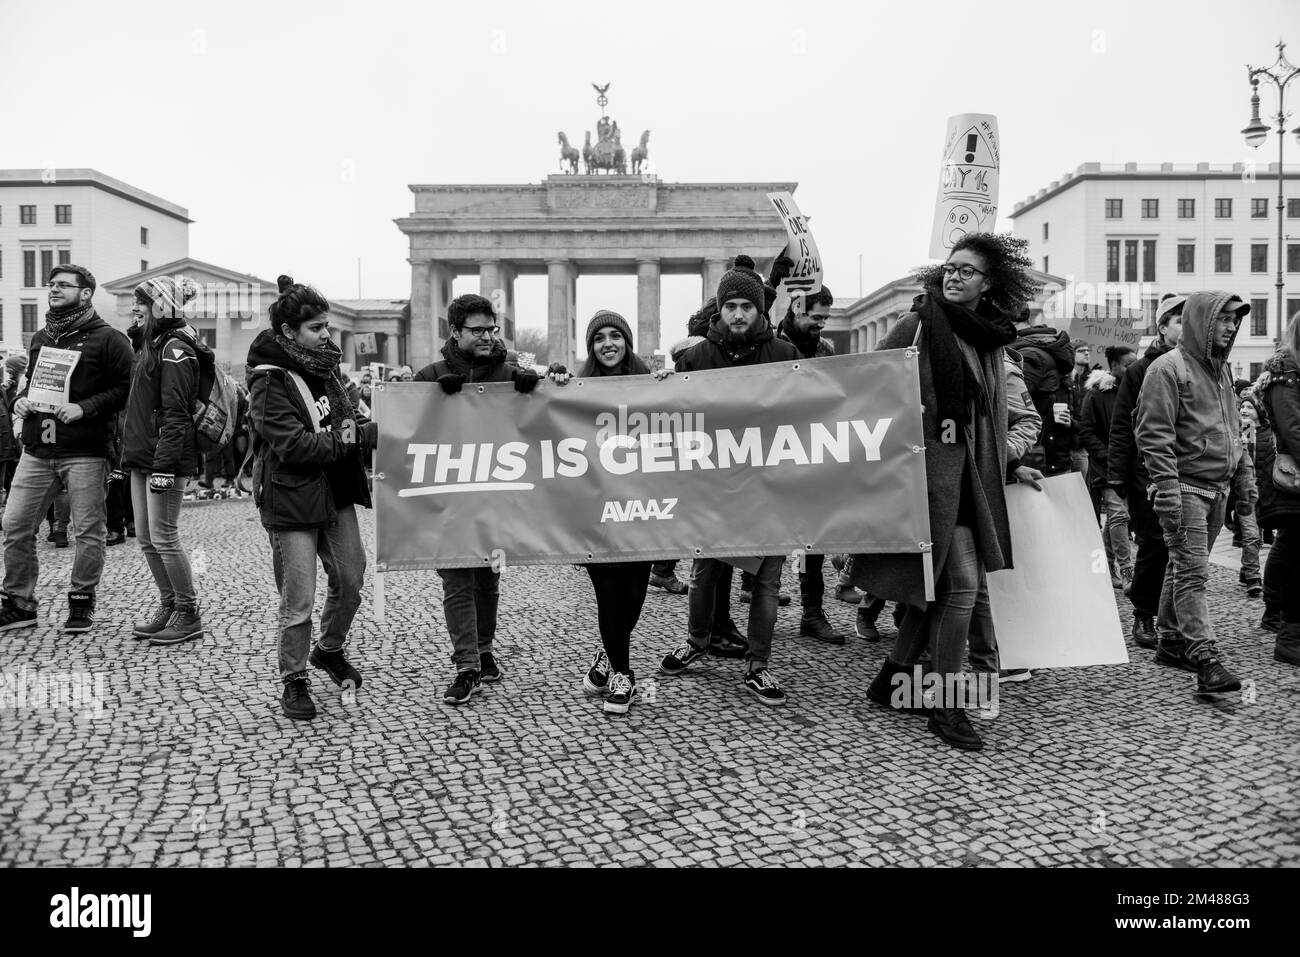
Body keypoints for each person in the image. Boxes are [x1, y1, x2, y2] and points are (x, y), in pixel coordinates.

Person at [851, 233, 1038, 750]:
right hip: (931, 480)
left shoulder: (989, 337)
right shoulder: (919, 322)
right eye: (950, 268)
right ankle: (946, 705)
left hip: (973, 477)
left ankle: (892, 679)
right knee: (960, 589)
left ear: (989, 282)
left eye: (966, 270)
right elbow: (865, 382)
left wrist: (1009, 460)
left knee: (934, 591)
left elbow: (992, 415)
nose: (953, 276)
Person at [657, 254, 801, 705]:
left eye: (747, 306)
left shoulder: (784, 354)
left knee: (768, 580)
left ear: (761, 311)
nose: (738, 314)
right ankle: (698, 641)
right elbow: (671, 415)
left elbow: (812, 410)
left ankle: (758, 664)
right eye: (730, 306)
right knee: (704, 572)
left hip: (768, 485)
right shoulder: (697, 356)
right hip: (713, 485)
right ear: (718, 310)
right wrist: (659, 385)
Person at [246, 275, 377, 720]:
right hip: (291, 499)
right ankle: (294, 678)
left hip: (334, 491)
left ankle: (329, 648)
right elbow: (294, 445)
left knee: (352, 578)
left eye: (327, 326)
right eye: (317, 328)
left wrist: (364, 431)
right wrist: (349, 442)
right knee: (298, 598)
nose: (327, 335)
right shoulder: (269, 381)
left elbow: (348, 424)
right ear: (289, 333)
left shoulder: (326, 369)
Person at [413, 294, 540, 705]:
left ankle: (484, 650)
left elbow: (540, 424)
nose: (487, 336)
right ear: (454, 331)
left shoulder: (511, 374)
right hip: (448, 499)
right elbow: (406, 431)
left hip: (494, 496)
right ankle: (466, 665)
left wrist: (536, 386)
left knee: (488, 580)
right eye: (477, 330)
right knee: (457, 581)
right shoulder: (429, 375)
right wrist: (430, 396)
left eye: (491, 329)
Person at [0, 265, 133, 633]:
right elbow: (34, 385)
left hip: (85, 450)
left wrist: (84, 407)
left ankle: (81, 601)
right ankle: (19, 603)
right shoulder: (42, 336)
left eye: (63, 285)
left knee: (89, 530)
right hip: (37, 448)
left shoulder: (110, 339)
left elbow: (127, 389)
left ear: (86, 293)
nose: (54, 289)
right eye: (52, 285)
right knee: (15, 526)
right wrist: (21, 402)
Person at [552, 310, 671, 714]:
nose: (608, 343)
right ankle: (624, 675)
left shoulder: (648, 383)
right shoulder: (577, 387)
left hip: (641, 509)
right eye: (599, 337)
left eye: (615, 335)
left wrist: (667, 387)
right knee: (609, 595)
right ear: (590, 346)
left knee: (634, 594)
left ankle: (606, 656)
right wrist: (555, 382)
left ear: (627, 341)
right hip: (596, 512)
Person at [1135, 291, 1254, 694]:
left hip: (1215, 489)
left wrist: (1244, 480)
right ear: (1203, 320)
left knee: (1181, 566)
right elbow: (1153, 435)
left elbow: (1234, 430)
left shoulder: (1221, 370)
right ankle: (1205, 658)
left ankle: (1170, 641)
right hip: (1184, 489)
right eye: (1224, 319)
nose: (1232, 326)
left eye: (1235, 320)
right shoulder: (1167, 369)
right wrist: (1167, 491)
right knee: (1193, 574)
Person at [119, 277, 209, 645]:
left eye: (141, 301)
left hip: (164, 459)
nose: (134, 308)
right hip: (144, 456)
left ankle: (187, 613)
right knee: (145, 538)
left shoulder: (175, 348)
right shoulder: (150, 344)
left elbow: (177, 415)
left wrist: (164, 467)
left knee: (164, 537)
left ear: (161, 306)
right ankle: (169, 605)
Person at [1107, 294, 1185, 650]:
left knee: (1183, 547)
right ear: (1163, 327)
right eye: (1178, 320)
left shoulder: (1199, 365)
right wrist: (1117, 477)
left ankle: (1175, 618)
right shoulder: (1140, 370)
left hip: (1189, 470)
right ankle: (1143, 613)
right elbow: (1122, 425)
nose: (1185, 327)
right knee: (1154, 543)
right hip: (1147, 471)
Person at [773, 280, 846, 644]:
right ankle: (760, 604)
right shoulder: (770, 345)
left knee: (814, 539)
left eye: (826, 318)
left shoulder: (825, 349)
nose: (822, 324)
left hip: (811, 451)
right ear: (797, 308)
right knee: (766, 536)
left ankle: (812, 612)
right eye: (817, 317)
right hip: (771, 454)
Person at [1256, 314, 1300, 664]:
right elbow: (1293, 430)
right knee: (1294, 550)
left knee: (1291, 546)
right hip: (1291, 476)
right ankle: (1287, 630)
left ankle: (1282, 621)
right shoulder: (1286, 374)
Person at [1078, 345, 1137, 591]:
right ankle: (1127, 572)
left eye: (1136, 362)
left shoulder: (1137, 389)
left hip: (1131, 466)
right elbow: (1086, 432)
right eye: (1127, 364)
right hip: (1105, 467)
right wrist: (1107, 455)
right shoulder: (1097, 394)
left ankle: (1107, 564)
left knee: (1117, 518)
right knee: (1119, 515)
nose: (1133, 368)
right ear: (1113, 366)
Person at [1009, 307, 1075, 476]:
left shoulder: (1030, 355)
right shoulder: (1035, 350)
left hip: (1027, 449)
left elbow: (1011, 400)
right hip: (1039, 446)